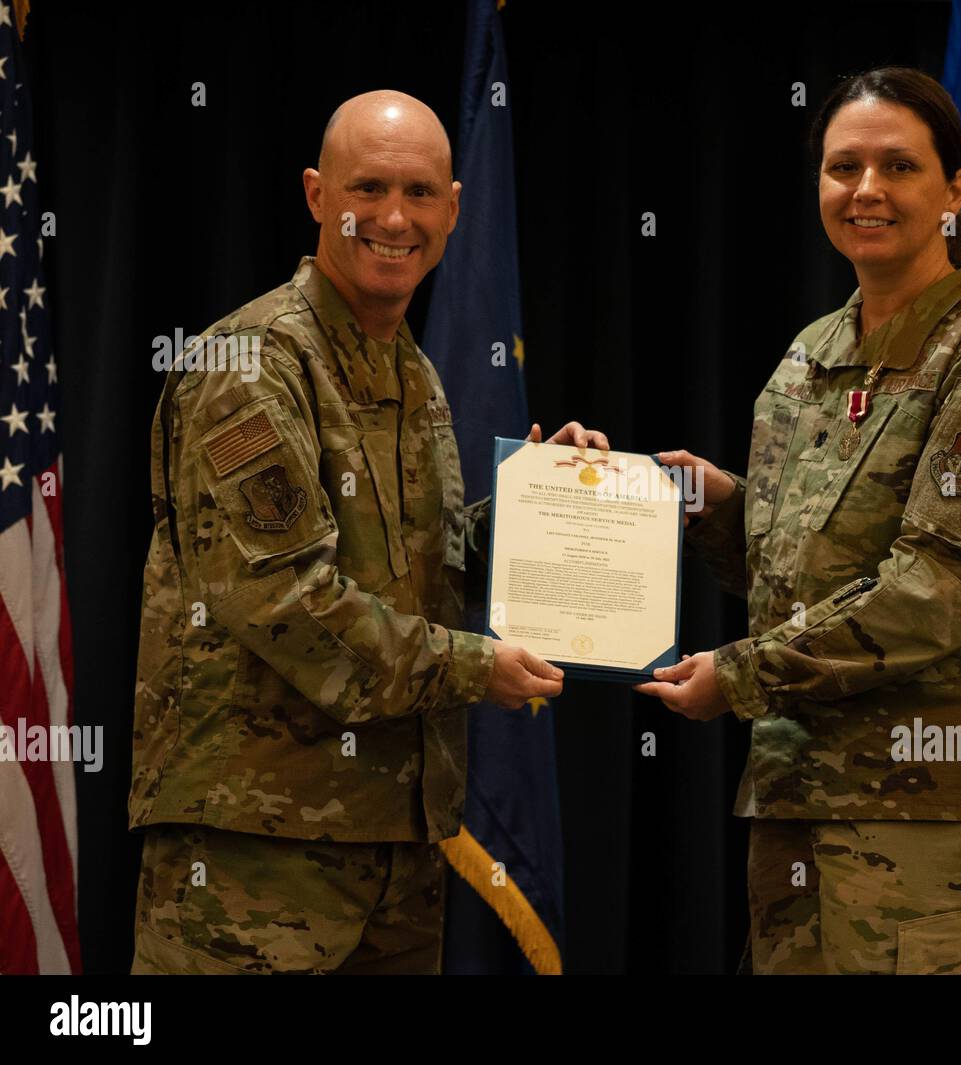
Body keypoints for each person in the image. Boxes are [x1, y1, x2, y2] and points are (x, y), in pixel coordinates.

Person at [129, 90, 607, 974]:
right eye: (369, 188)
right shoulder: (251, 366)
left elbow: (417, 572)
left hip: (396, 844)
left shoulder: (411, 371)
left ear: (454, 209)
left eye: (421, 193)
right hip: (257, 854)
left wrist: (544, 508)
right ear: (317, 196)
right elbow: (285, 602)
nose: (395, 217)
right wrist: (475, 668)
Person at [638, 67, 961, 975]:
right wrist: (703, 501)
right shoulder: (812, 355)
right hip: (802, 813)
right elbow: (789, 563)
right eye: (843, 167)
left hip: (950, 831)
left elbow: (939, 592)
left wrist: (738, 676)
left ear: (953, 192)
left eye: (899, 166)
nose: (867, 190)